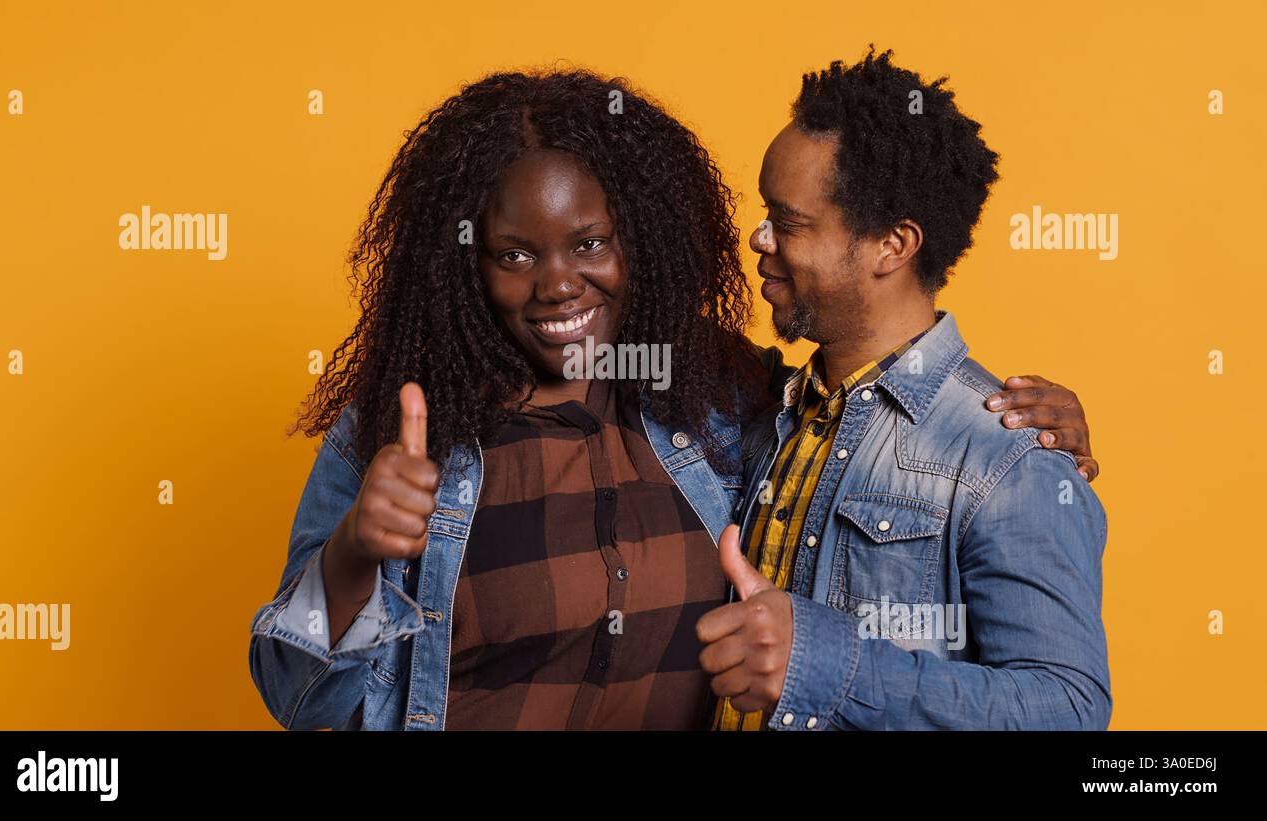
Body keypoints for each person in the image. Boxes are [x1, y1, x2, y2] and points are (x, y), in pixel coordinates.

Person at [249, 68, 1098, 730]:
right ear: (464, 260)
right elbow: (298, 699)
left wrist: (1028, 443)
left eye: (588, 243)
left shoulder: (714, 402)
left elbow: (893, 410)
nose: (556, 285)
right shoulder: (401, 434)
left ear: (637, 238)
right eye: (513, 255)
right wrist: (354, 551)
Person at [697, 47, 1111, 731]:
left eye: (789, 222)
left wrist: (823, 663)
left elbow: (1066, 710)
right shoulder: (765, 410)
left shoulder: (1009, 456)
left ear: (893, 245)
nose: (757, 237)